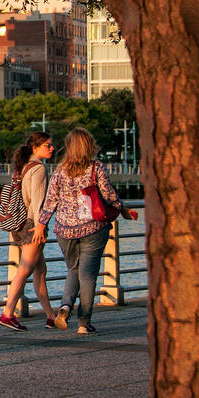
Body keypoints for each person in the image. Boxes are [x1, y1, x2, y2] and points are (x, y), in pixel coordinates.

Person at [34, 127, 139, 335]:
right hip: (93, 228)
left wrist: (41, 224)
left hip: (64, 230)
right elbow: (109, 196)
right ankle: (84, 322)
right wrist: (123, 209)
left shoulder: (60, 170)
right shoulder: (95, 168)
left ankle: (65, 306)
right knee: (88, 275)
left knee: (74, 269)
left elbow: (50, 200)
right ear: (89, 146)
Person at [0, 132, 57, 331]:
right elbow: (38, 201)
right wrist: (41, 226)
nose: (52, 148)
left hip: (20, 224)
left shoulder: (22, 167)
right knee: (25, 269)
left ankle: (50, 316)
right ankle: (7, 313)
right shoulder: (39, 169)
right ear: (35, 147)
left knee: (40, 270)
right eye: (47, 145)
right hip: (33, 224)